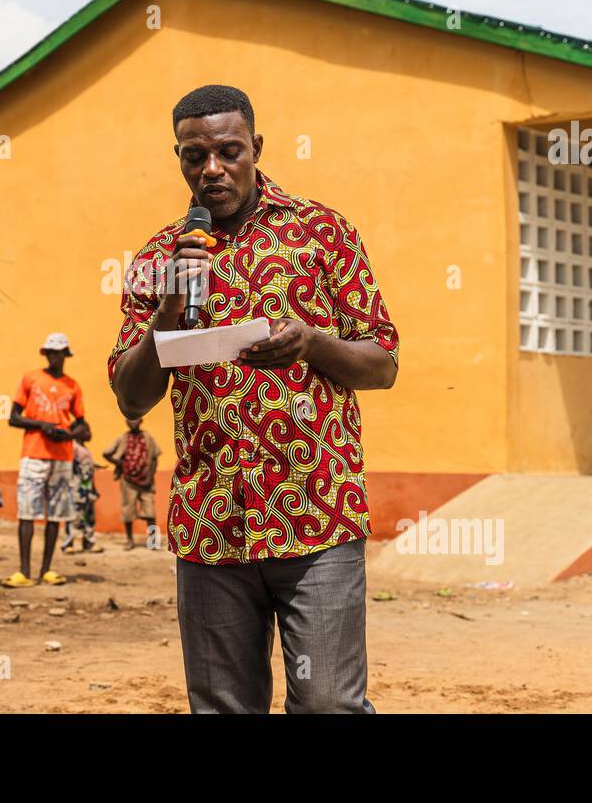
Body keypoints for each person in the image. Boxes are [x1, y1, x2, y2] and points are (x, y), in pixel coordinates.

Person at [108, 85, 400, 714]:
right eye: (194, 156)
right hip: (211, 526)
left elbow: (382, 364)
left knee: (328, 705)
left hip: (315, 515)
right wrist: (166, 310)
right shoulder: (160, 256)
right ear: (179, 158)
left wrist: (313, 343)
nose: (211, 169)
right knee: (222, 707)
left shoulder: (323, 232)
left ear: (256, 148)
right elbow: (130, 393)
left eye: (228, 151)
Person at [2, 333, 90, 588]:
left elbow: (83, 424)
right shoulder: (30, 378)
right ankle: (24, 571)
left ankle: (47, 570)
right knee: (27, 512)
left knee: (56, 514)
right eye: (50, 352)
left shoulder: (73, 385)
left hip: (62, 456)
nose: (54, 356)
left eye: (59, 352)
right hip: (33, 454)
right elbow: (14, 417)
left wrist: (68, 434)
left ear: (65, 355)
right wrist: (42, 425)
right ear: (45, 354)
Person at [102, 417, 162, 550]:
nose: (133, 422)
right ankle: (130, 540)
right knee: (127, 511)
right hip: (128, 481)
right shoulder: (122, 438)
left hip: (146, 481)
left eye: (135, 420)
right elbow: (106, 453)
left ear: (141, 421)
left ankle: (153, 542)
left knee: (150, 512)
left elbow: (154, 459)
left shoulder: (147, 438)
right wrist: (120, 464)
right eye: (130, 420)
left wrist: (149, 477)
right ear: (126, 422)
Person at [60, 428, 99, 554]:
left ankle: (89, 541)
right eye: (86, 430)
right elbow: (71, 465)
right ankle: (68, 543)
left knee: (88, 516)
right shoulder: (73, 447)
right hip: (76, 487)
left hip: (87, 487)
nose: (89, 433)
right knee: (74, 515)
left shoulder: (84, 448)